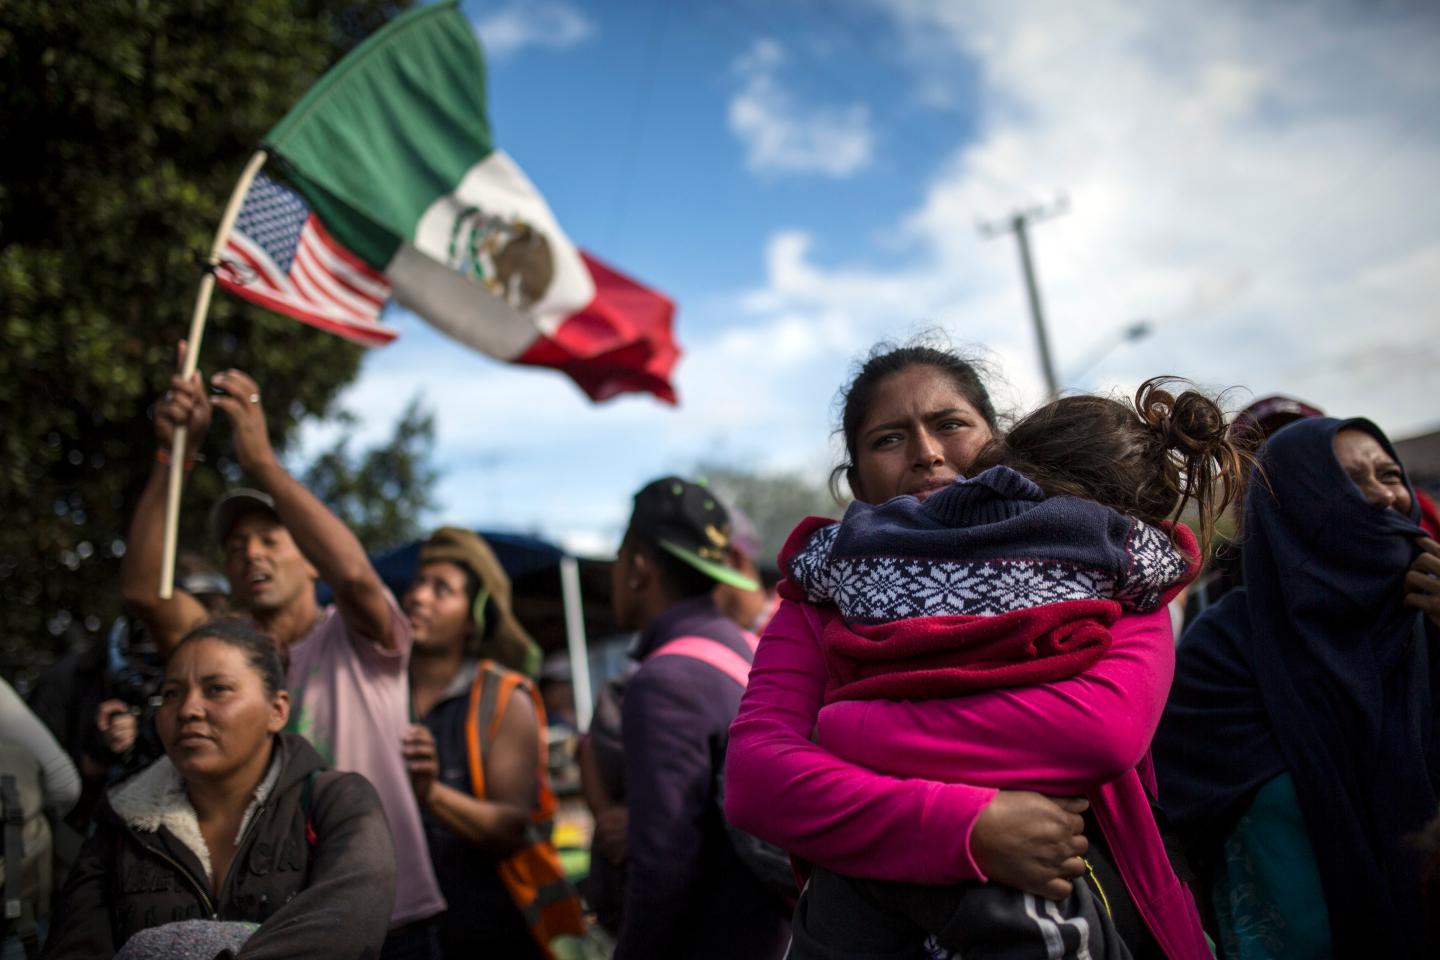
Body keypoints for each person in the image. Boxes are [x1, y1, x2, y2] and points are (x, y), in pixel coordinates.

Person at [725, 342, 1210, 959]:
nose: (927, 453)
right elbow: (758, 779)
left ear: (999, 444)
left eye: (950, 424)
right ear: (857, 484)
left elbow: (1098, 733)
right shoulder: (823, 596)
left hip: (1116, 907)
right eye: (889, 439)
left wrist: (850, 728)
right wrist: (969, 830)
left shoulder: (1102, 556)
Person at [119, 349, 444, 956]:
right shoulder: (223, 655)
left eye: (272, 538)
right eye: (237, 547)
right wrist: (174, 456)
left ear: (308, 555)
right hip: (272, 927)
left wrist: (262, 463)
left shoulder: (360, 640)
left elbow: (352, 577)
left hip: (394, 918)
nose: (253, 555)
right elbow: (146, 591)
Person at [1153, 417, 1440, 958]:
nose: (1382, 496)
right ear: (1296, 503)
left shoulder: (1427, 619)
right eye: (1351, 480)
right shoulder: (1227, 650)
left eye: (1389, 474)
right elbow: (1186, 823)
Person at [41, 618, 396, 959]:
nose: (188, 710)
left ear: (277, 710)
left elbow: (348, 923)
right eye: (171, 693)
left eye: (217, 690)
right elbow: (74, 946)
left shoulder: (336, 800)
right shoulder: (120, 821)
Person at [606, 477, 790, 959]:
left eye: (619, 557)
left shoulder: (664, 682)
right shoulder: (750, 649)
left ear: (638, 566)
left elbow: (663, 871)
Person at [400, 527, 584, 960]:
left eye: (441, 589)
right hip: (406, 937)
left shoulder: (504, 699)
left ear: (473, 618)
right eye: (417, 583)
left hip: (495, 933)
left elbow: (511, 827)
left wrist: (431, 795)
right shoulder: (383, 693)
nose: (419, 598)